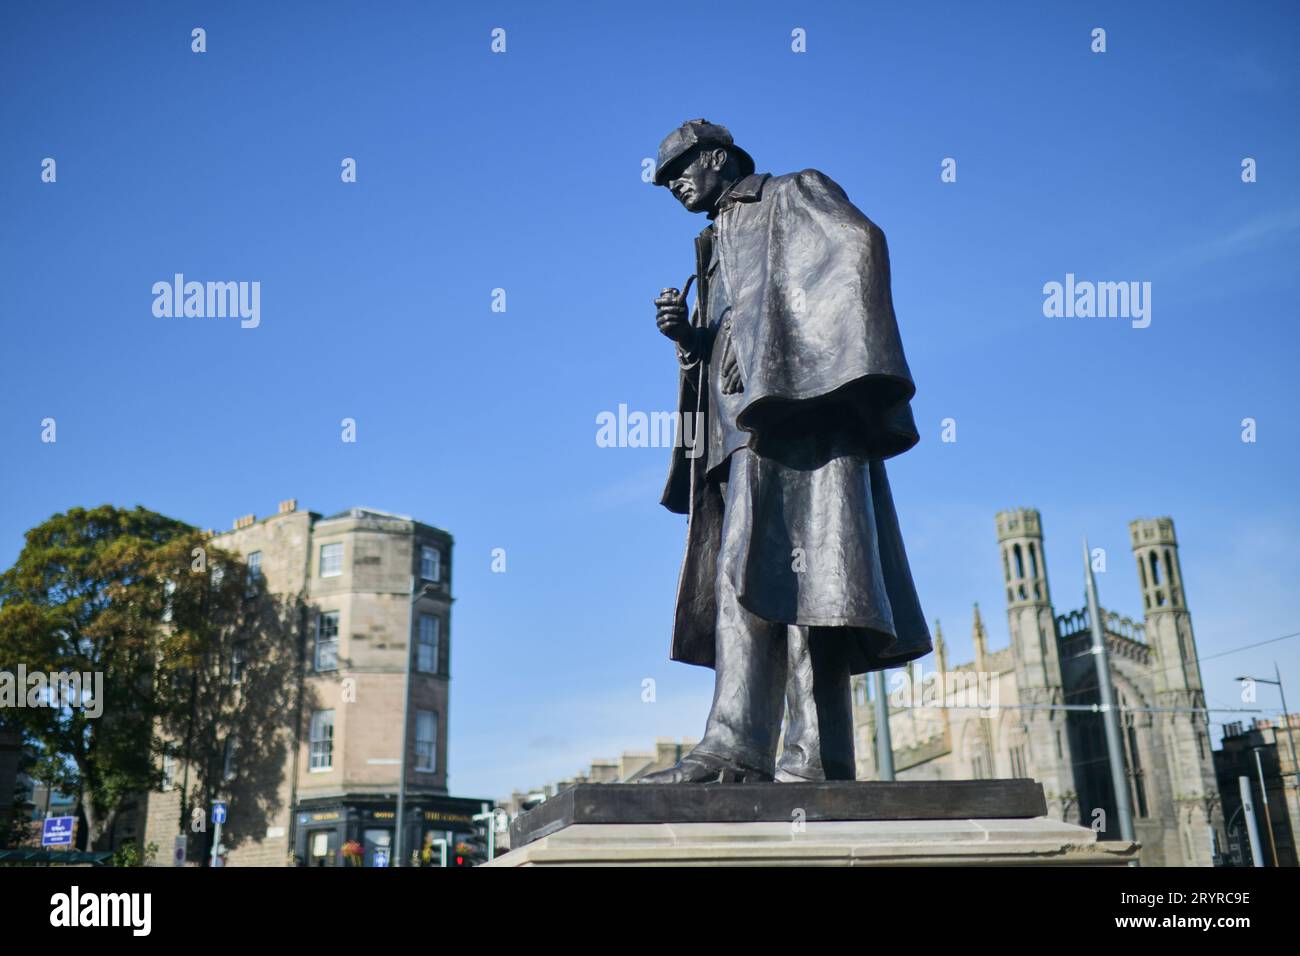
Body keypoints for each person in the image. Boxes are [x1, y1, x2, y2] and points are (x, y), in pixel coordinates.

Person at [640, 120, 931, 784]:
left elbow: (859, 245)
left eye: (682, 169)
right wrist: (693, 339)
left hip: (795, 422)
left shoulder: (790, 193)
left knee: (807, 584)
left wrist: (771, 341)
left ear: (718, 158)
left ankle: (773, 754)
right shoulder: (715, 238)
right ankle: (757, 752)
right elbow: (725, 344)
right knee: (752, 576)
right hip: (735, 434)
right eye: (666, 181)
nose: (675, 185)